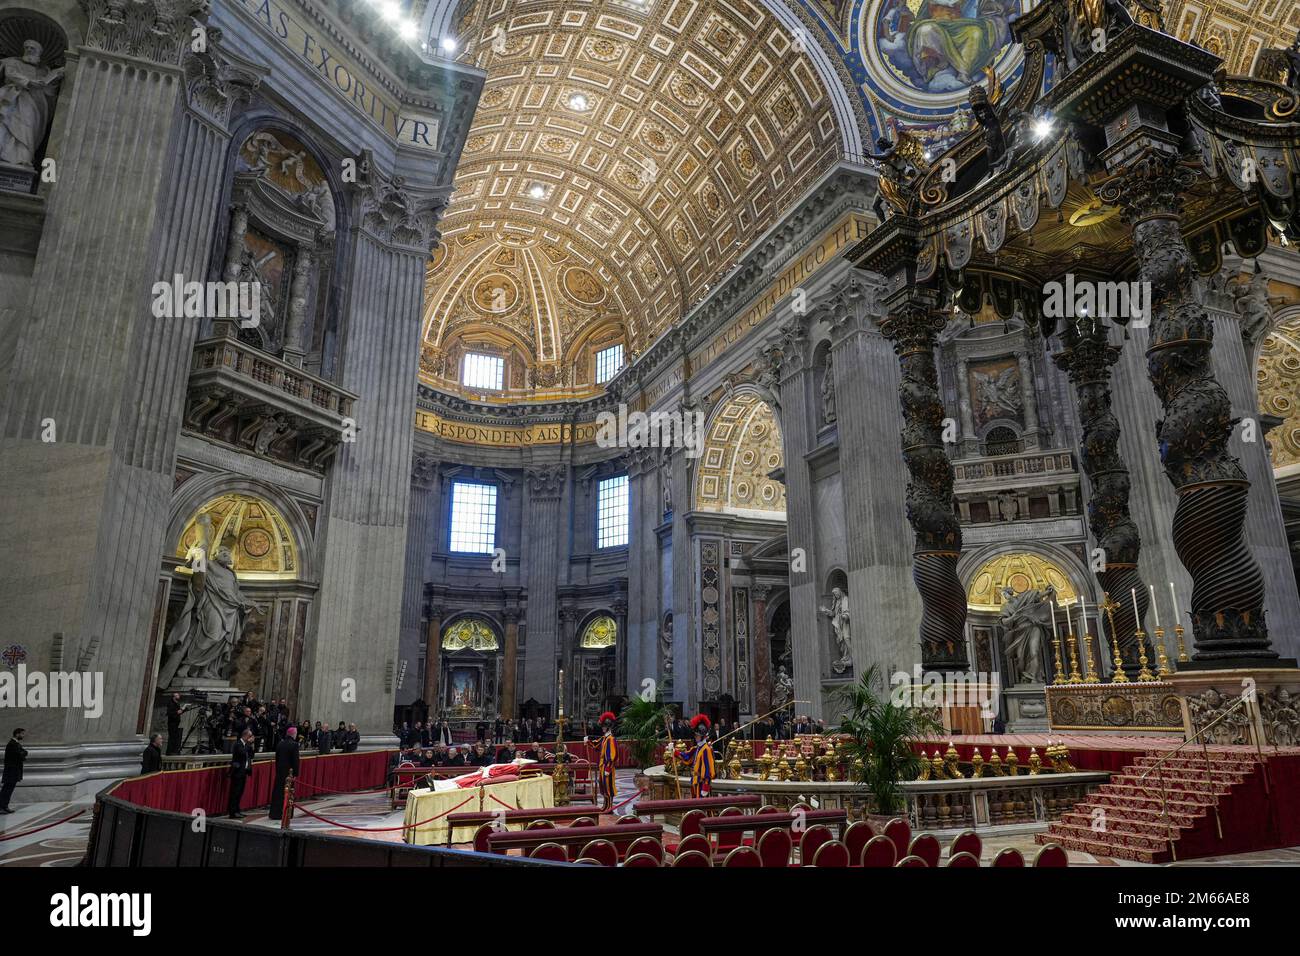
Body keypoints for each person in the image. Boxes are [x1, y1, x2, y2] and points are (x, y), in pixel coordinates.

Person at [674, 715, 716, 798]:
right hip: (695, 781)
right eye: (695, 735)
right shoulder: (697, 748)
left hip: (701, 784)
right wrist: (674, 752)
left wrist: (706, 785)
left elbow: (707, 768)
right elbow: (687, 757)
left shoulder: (706, 749)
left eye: (697, 735)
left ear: (703, 736)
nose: (695, 737)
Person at [268, 726, 300, 821]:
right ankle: (287, 813)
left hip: (280, 772)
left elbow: (277, 758)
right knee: (288, 793)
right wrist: (295, 774)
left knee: (278, 792)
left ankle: (275, 813)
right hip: (289, 774)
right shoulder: (294, 745)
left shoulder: (280, 744)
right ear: (294, 734)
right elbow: (295, 761)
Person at [590, 711, 617, 810]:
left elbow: (612, 756)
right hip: (602, 766)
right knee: (603, 787)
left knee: (609, 787)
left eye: (603, 727)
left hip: (607, 767)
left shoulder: (611, 739)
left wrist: (608, 768)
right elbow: (596, 744)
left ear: (608, 727)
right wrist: (587, 740)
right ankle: (605, 805)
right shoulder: (605, 738)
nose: (602, 728)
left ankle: (609, 806)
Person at [228, 728, 254, 818]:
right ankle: (232, 812)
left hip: (244, 772)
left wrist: (250, 745)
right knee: (235, 793)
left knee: (240, 793)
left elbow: (251, 755)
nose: (251, 738)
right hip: (237, 772)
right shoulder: (238, 744)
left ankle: (237, 810)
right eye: (250, 736)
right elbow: (242, 753)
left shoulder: (246, 745)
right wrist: (249, 744)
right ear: (246, 735)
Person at [0, 728, 27, 813]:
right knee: (7, 789)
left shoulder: (15, 743)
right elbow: (20, 755)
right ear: (17, 734)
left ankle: (3, 806)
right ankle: (3, 806)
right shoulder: (12, 744)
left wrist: (23, 753)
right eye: (22, 734)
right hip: (11, 771)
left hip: (13, 771)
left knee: (7, 789)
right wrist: (23, 753)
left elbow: (23, 752)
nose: (23, 736)